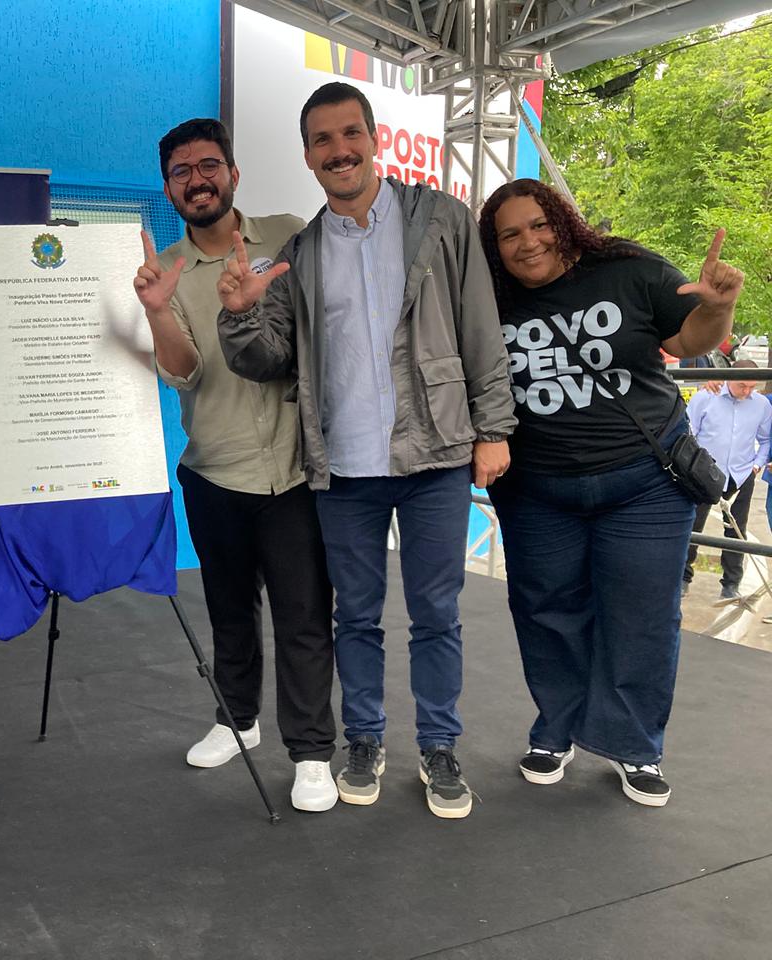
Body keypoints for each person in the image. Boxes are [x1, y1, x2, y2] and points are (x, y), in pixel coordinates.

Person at [216, 82, 516, 819]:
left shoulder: (440, 220)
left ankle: (440, 747)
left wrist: (494, 428)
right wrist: (236, 317)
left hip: (437, 457)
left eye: (349, 133)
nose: (338, 149)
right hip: (343, 468)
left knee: (435, 613)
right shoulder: (300, 253)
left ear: (373, 138)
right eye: (322, 139)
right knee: (355, 616)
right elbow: (267, 359)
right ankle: (366, 739)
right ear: (308, 156)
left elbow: (480, 325)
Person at [478, 177, 744, 807]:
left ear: (564, 221)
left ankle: (634, 745)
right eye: (509, 233)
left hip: (644, 484)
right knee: (546, 611)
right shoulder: (487, 295)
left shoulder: (628, 268)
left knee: (643, 616)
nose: (527, 242)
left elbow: (687, 342)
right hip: (538, 490)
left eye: (539, 224)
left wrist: (717, 306)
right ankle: (556, 731)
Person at [133, 118, 338, 812]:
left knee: (305, 614)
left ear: (233, 174)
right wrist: (160, 313)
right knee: (229, 611)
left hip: (294, 468)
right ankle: (238, 721)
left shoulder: (287, 234)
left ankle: (311, 751)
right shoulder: (163, 269)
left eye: (209, 165)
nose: (198, 179)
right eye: (182, 172)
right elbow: (184, 372)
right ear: (168, 188)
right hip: (214, 469)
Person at [683, 360, 771, 599]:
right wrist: (692, 467)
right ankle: (683, 577)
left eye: (752, 386)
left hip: (741, 475)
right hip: (704, 473)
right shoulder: (705, 397)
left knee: (736, 529)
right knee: (693, 525)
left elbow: (765, 439)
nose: (747, 391)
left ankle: (731, 584)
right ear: (729, 378)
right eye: (742, 385)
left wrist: (756, 464)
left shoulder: (761, 405)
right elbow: (688, 433)